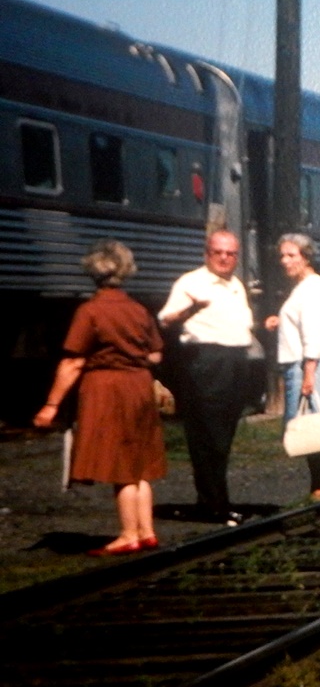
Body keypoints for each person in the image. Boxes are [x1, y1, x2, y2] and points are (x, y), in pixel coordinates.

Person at [33, 240, 166, 556]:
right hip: (140, 386)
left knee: (119, 461)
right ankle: (147, 531)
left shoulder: (90, 311)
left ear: (93, 273)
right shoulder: (139, 309)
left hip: (108, 389)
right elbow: (156, 354)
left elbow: (73, 362)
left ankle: (128, 534)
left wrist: (50, 405)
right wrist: (134, 359)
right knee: (140, 464)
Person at [157, 230, 253, 525]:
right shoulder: (191, 282)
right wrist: (192, 307)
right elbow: (165, 319)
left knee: (223, 435)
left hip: (235, 362)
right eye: (218, 252)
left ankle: (215, 501)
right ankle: (215, 505)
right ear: (206, 254)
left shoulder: (236, 284)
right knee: (208, 435)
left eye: (231, 253)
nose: (225, 258)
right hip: (205, 363)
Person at [264, 233, 320, 501]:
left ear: (305, 257)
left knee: (308, 428)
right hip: (303, 365)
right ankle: (318, 485)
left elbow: (313, 334)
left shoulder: (311, 288)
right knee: (305, 427)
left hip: (307, 366)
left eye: (291, 255)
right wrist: (280, 321)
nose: (285, 261)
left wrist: (308, 375)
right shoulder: (303, 286)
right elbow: (302, 322)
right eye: (282, 255)